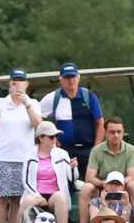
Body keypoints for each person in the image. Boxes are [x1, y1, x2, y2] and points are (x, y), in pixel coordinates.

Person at [0, 70, 41, 223]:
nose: (16, 84)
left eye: (20, 81)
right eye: (14, 81)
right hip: (2, 156)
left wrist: (27, 103)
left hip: (24, 159)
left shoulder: (33, 103)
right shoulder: (1, 103)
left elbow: (38, 124)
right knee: (1, 199)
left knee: (18, 199)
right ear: (9, 84)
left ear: (26, 84)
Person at [40, 63, 103, 197]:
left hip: (88, 150)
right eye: (67, 77)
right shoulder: (53, 98)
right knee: (64, 187)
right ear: (61, 79)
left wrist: (96, 149)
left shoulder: (89, 96)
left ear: (78, 78)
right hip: (64, 151)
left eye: (73, 77)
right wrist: (50, 140)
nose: (71, 80)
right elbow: (38, 120)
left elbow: (99, 123)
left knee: (91, 187)